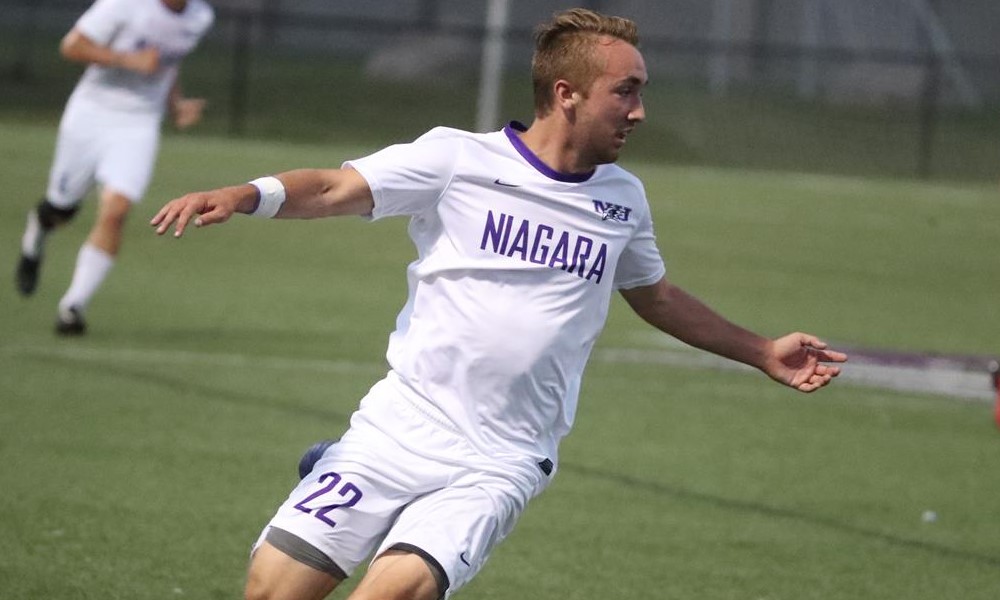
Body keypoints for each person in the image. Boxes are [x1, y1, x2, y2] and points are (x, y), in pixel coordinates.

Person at [151, 8, 848, 600]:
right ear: (568, 93)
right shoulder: (457, 160)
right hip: (398, 429)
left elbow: (656, 296)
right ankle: (339, 463)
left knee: (394, 593)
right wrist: (244, 195)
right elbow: (334, 188)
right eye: (626, 91)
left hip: (500, 459)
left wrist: (761, 352)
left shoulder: (622, 200)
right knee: (271, 589)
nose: (639, 110)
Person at [15, 0, 214, 335]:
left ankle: (73, 307)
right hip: (91, 115)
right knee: (60, 210)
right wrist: (128, 60)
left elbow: (167, 63)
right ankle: (36, 234)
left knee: (116, 211)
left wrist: (175, 104)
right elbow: (72, 45)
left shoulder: (200, 17)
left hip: (139, 124)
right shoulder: (124, 5)